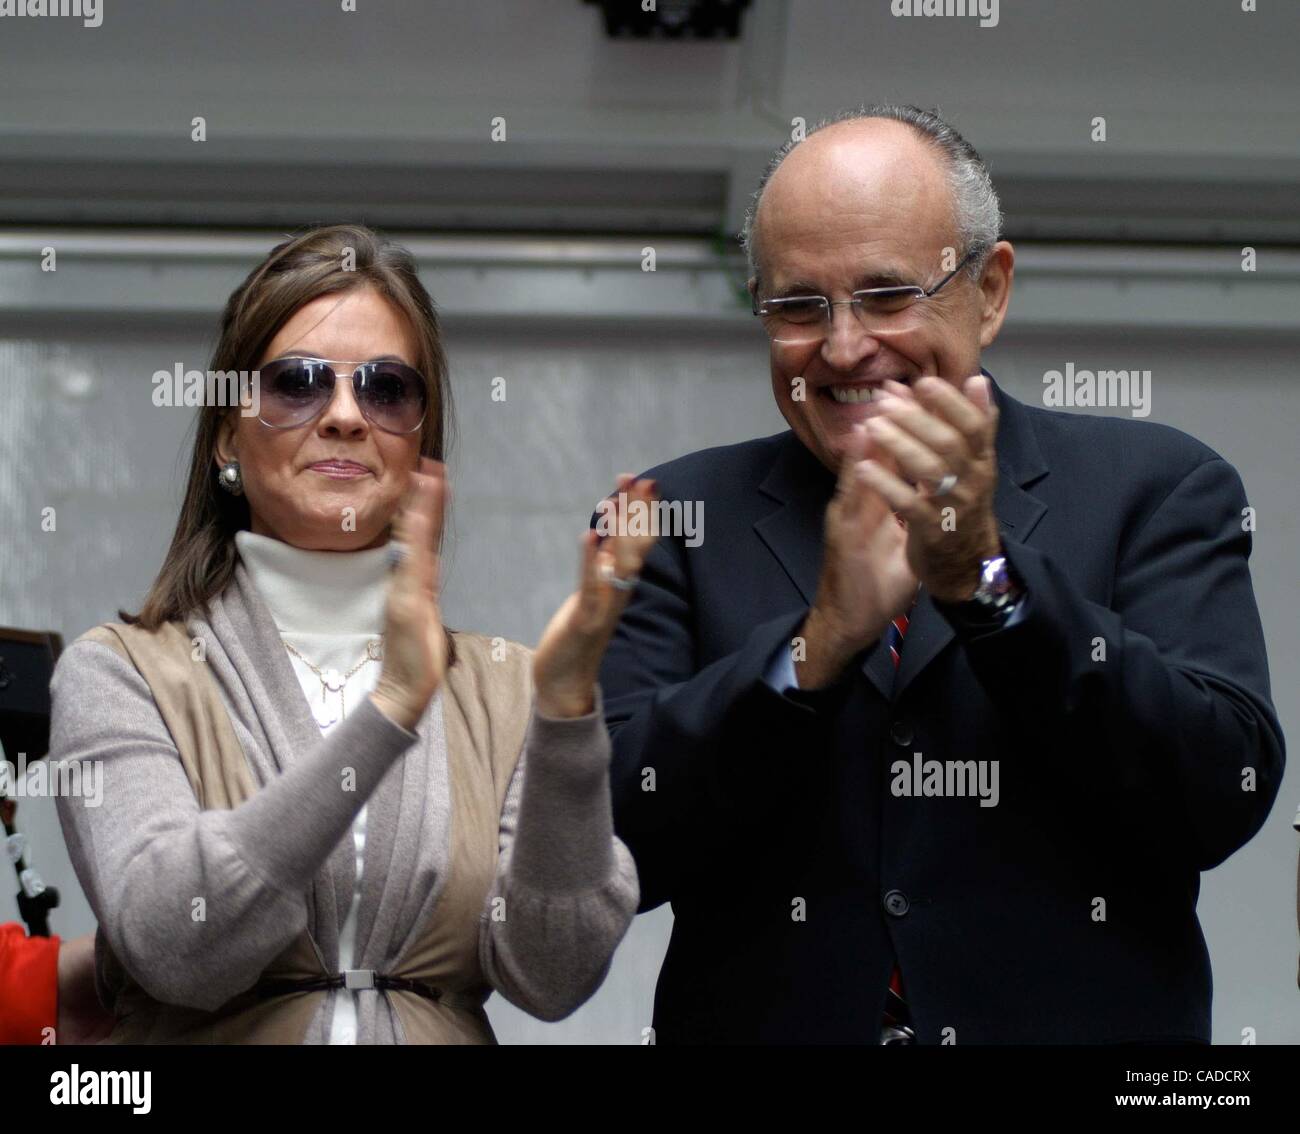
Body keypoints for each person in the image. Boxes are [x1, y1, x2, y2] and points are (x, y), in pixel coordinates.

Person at [597, 105, 1285, 1044]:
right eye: (800, 307)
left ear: (989, 291)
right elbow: (606, 851)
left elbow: (1222, 792)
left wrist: (989, 585)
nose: (843, 348)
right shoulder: (680, 518)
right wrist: (815, 650)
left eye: (887, 295)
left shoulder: (1158, 488)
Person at [50, 224, 651, 1044]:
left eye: (385, 389)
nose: (343, 415)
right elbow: (175, 944)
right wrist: (390, 712)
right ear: (228, 434)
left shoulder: (509, 684)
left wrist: (568, 714)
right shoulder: (119, 673)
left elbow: (553, 975)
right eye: (296, 383)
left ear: (418, 441)